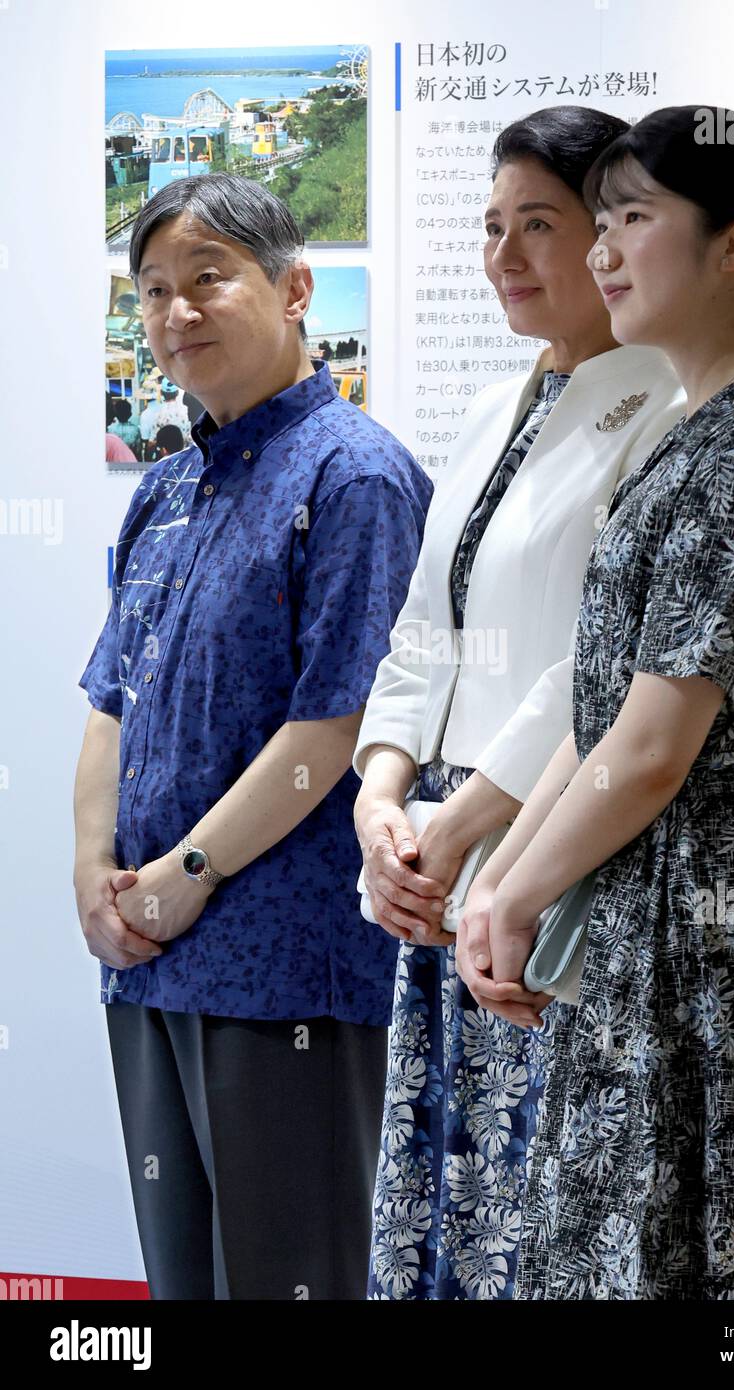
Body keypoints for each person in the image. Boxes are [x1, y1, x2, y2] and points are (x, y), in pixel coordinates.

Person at [456, 104, 734, 1300]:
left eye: (630, 219)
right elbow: (607, 718)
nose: (601, 251)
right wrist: (501, 883)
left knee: (704, 1240)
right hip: (648, 879)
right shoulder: (694, 428)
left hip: (716, 899)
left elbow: (650, 749)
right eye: (596, 222)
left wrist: (511, 893)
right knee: (617, 1234)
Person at [73, 172, 433, 1300]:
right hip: (148, 952)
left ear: (293, 288)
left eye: (208, 279)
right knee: (179, 1275)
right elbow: (109, 697)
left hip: (286, 963)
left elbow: (335, 722)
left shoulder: (355, 473)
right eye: (155, 291)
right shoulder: (165, 490)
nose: (178, 313)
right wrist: (93, 871)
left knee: (292, 1277)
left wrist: (188, 872)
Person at [352, 106, 685, 1300]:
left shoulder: (666, 406)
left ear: (608, 240)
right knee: (446, 1203)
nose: (504, 253)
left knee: (543, 1211)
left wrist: (454, 831)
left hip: (549, 854)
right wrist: (381, 802)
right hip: (440, 854)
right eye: (491, 225)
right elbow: (423, 633)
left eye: (536, 224)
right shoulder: (493, 407)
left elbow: (592, 670)